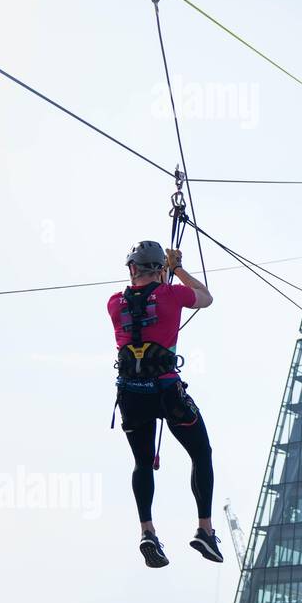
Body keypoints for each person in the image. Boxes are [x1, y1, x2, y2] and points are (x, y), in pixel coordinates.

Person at [108, 240, 222, 568]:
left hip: (131, 395)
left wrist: (163, 275)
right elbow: (206, 297)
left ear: (131, 269)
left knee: (143, 463)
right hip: (167, 392)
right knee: (201, 452)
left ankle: (147, 531)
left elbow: (146, 303)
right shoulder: (172, 294)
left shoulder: (114, 303)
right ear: (158, 269)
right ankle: (204, 529)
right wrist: (177, 270)